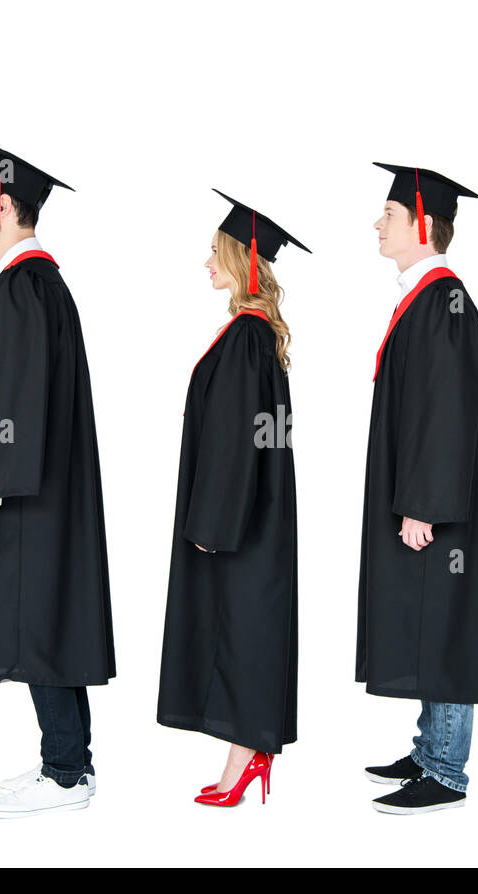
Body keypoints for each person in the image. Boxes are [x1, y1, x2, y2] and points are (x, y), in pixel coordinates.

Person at [0, 141, 115, 819]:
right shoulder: (44, 285)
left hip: (26, 497)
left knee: (37, 626)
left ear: (7, 204)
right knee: (52, 622)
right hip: (49, 492)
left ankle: (65, 774)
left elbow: (10, 405)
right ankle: (67, 760)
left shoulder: (21, 288)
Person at [357, 164, 478, 814]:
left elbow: (447, 412)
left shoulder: (445, 302)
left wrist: (423, 500)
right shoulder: (423, 298)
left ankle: (445, 767)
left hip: (438, 506)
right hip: (425, 497)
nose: (377, 224)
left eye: (387, 213)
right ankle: (428, 746)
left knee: (445, 622)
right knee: (427, 615)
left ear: (419, 220)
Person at [157, 190, 308, 807]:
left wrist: (214, 521)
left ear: (244, 261)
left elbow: (237, 440)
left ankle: (244, 759)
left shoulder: (247, 337)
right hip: (254, 516)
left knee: (243, 628)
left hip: (238, 520)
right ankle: (247, 755)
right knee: (247, 627)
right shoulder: (252, 333)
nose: (206, 264)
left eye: (214, 253)